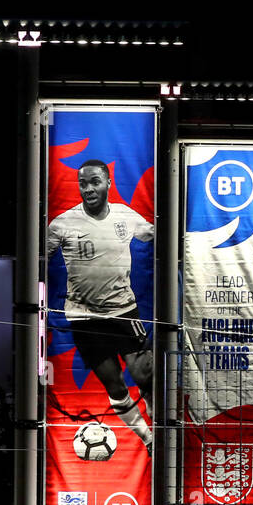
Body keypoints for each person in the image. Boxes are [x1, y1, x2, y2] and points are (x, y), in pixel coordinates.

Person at [46, 159, 155, 456]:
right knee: (115, 384)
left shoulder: (124, 216)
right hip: (85, 318)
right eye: (83, 183)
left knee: (145, 374)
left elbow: (152, 234)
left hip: (124, 310)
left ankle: (160, 424)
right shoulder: (62, 224)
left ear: (107, 182)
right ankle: (149, 440)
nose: (89, 188)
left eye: (95, 182)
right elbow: (38, 256)